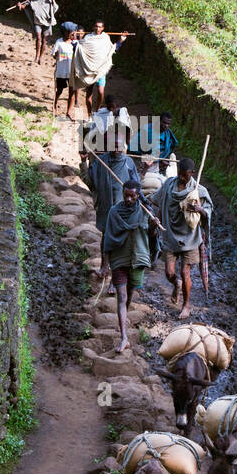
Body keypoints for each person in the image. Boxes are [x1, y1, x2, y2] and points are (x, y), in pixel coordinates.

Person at [103, 181, 160, 354]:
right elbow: (107, 238)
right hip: (119, 258)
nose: (128, 199)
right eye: (126, 195)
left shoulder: (145, 211)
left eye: (132, 196)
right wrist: (104, 264)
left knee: (129, 295)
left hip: (138, 257)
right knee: (121, 296)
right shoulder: (114, 212)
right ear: (122, 192)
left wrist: (152, 225)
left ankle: (123, 321)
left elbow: (151, 236)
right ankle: (124, 338)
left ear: (138, 195)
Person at [157, 157, 213, 320]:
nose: (181, 178)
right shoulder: (168, 186)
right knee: (169, 272)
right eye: (179, 174)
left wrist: (199, 209)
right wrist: (157, 222)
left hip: (190, 239)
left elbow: (208, 212)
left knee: (185, 272)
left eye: (185, 175)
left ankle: (186, 305)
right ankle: (176, 284)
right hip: (170, 236)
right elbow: (160, 202)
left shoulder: (199, 190)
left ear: (192, 173)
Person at [85, 138, 140, 275]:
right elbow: (89, 181)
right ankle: (104, 267)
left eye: (119, 146)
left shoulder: (128, 163)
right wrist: (82, 162)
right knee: (106, 237)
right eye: (113, 146)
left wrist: (143, 202)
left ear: (124, 147)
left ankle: (117, 273)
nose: (116, 149)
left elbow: (136, 185)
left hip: (124, 210)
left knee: (122, 241)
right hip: (107, 207)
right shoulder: (100, 161)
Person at [70, 21, 128, 117]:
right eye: (96, 26)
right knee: (89, 94)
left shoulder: (105, 38)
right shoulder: (87, 38)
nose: (98, 28)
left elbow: (112, 49)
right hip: (89, 70)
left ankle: (96, 111)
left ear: (103, 28)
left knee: (101, 92)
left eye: (100, 27)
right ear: (93, 27)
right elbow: (79, 49)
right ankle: (89, 114)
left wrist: (121, 40)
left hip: (101, 70)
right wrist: (74, 40)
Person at [17, 0, 59, 66]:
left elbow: (55, 7)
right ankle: (36, 56)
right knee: (38, 38)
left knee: (44, 40)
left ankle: (40, 57)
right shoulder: (32, 1)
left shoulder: (48, 1)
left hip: (47, 23)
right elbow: (23, 6)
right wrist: (19, 5)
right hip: (37, 23)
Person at [52, 23, 76, 115]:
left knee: (71, 92)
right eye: (70, 32)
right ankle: (55, 103)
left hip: (72, 72)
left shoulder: (75, 43)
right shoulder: (59, 42)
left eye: (73, 32)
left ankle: (68, 111)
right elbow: (54, 54)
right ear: (65, 32)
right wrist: (56, 55)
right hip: (61, 71)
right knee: (60, 90)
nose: (72, 34)